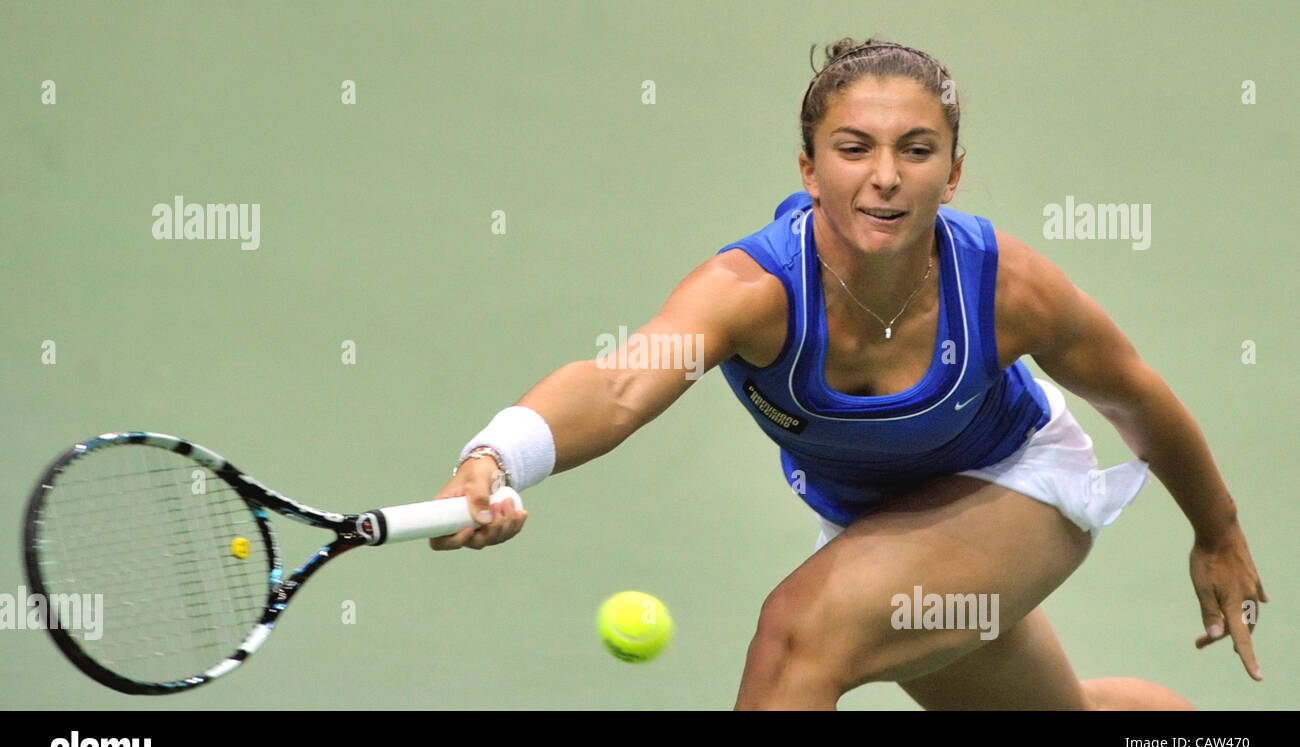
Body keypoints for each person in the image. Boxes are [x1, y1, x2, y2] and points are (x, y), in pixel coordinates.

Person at [427, 37, 1267, 710]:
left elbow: (1133, 392)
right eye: (854, 148)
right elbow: (616, 387)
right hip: (878, 528)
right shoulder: (751, 293)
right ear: (808, 167)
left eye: (917, 149)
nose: (886, 176)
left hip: (1023, 485)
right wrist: (496, 458)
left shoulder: (1007, 286)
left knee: (798, 635)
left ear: (954, 170)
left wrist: (1218, 531)